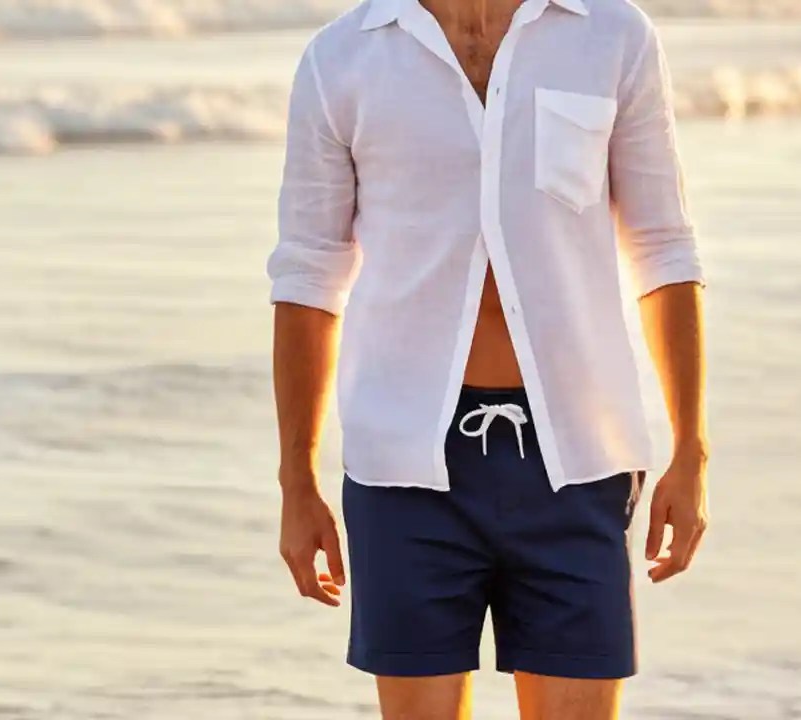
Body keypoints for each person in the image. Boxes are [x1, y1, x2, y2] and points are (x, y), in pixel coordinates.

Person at [266, 0, 710, 717]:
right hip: (404, 466)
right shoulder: (340, 59)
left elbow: (664, 248)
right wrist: (296, 480)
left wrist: (691, 448)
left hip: (579, 456)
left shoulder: (612, 35)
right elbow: (308, 277)